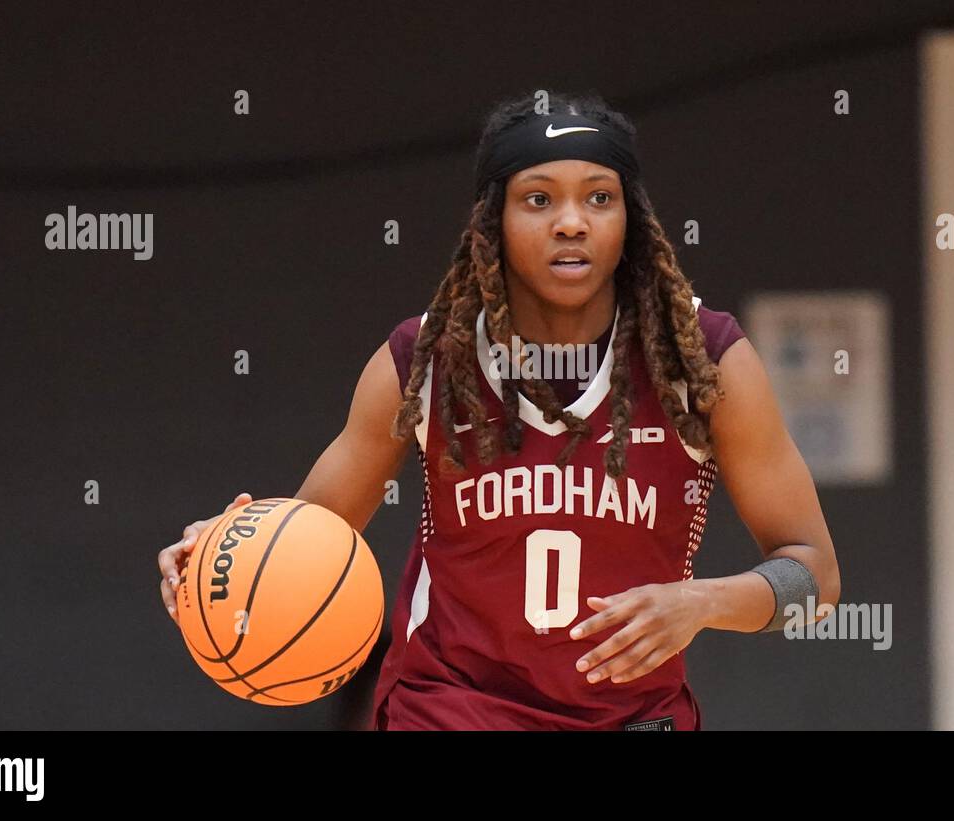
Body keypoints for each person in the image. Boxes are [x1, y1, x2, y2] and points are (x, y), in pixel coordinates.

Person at [158, 90, 839, 730]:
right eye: (538, 199)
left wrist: (702, 603)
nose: (571, 221)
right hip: (455, 706)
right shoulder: (424, 360)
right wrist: (223, 558)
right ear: (495, 219)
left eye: (599, 198)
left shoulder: (705, 360)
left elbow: (815, 574)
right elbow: (311, 537)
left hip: (632, 714)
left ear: (629, 216)